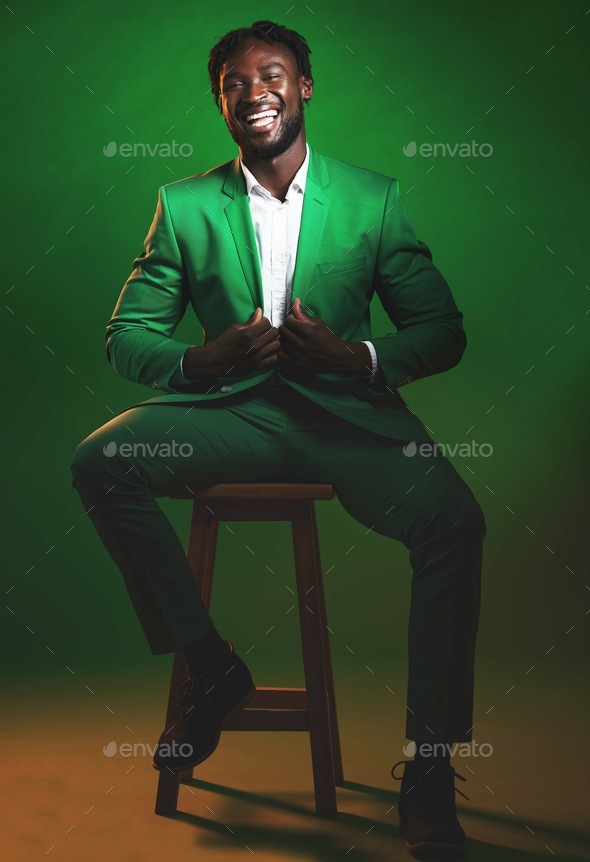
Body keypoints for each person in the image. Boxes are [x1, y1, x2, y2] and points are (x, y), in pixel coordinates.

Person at [70, 19, 486, 857]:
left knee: (456, 524)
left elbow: (441, 330)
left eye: (273, 74)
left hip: (352, 421)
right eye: (235, 81)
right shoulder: (185, 206)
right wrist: (198, 359)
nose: (254, 90)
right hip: (237, 417)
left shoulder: (372, 198)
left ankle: (432, 767)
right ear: (221, 102)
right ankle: (213, 666)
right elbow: (126, 336)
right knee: (102, 462)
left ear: (303, 88)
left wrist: (358, 356)